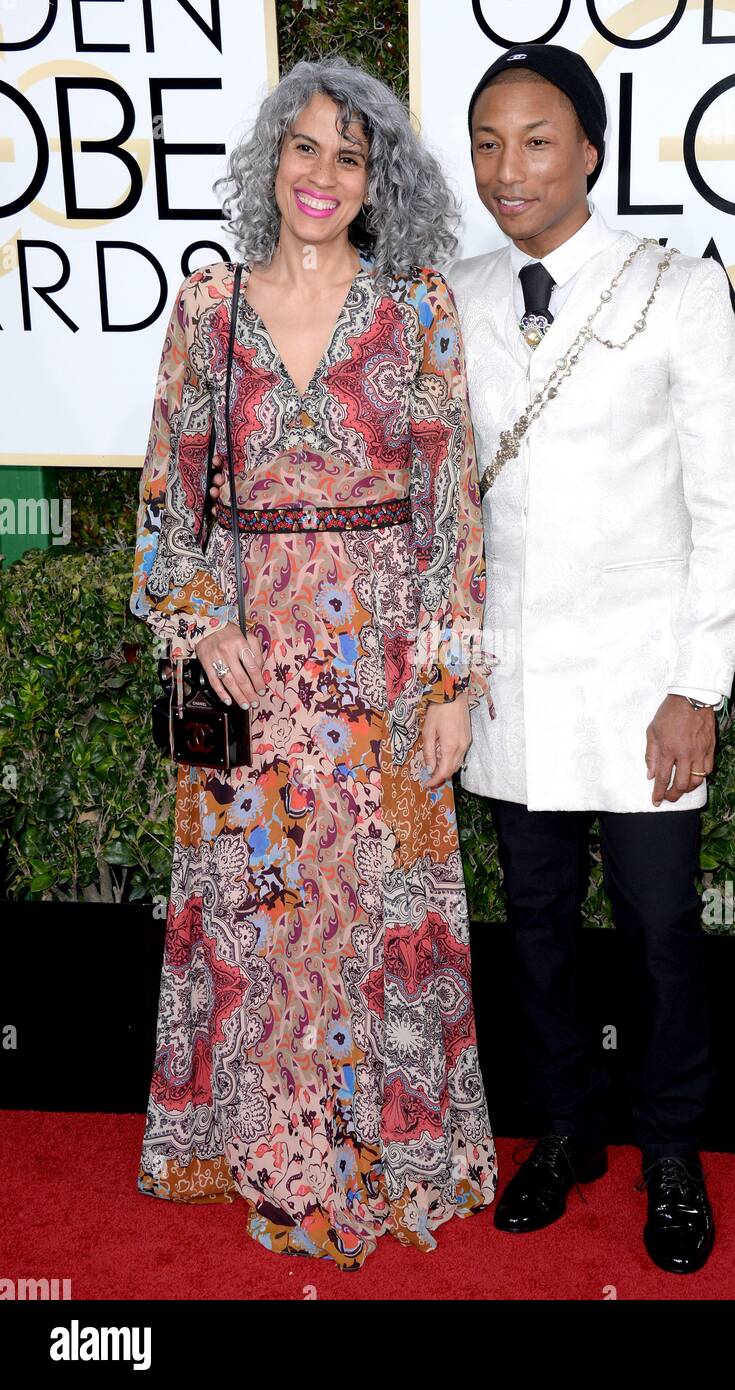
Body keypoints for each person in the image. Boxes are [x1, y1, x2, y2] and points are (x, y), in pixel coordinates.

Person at [129, 55, 498, 1271]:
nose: (323, 174)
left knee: (377, 911)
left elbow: (451, 511)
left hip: (380, 671)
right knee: (262, 914)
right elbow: (166, 506)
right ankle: (276, 1153)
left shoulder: (419, 306)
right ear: (269, 161)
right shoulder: (207, 308)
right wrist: (199, 620)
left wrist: (451, 683)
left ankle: (385, 1155)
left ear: (378, 178)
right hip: (247, 670)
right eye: (305, 147)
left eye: (351, 154)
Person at [449, 44, 735, 1273]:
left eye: (535, 140)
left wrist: (700, 684)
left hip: (644, 683)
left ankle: (670, 1149)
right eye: (487, 142)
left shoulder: (673, 289)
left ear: (588, 151)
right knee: (532, 926)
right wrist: (448, 671)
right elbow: (441, 505)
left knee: (659, 927)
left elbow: (724, 503)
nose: (507, 168)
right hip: (509, 680)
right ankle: (567, 1129)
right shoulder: (451, 293)